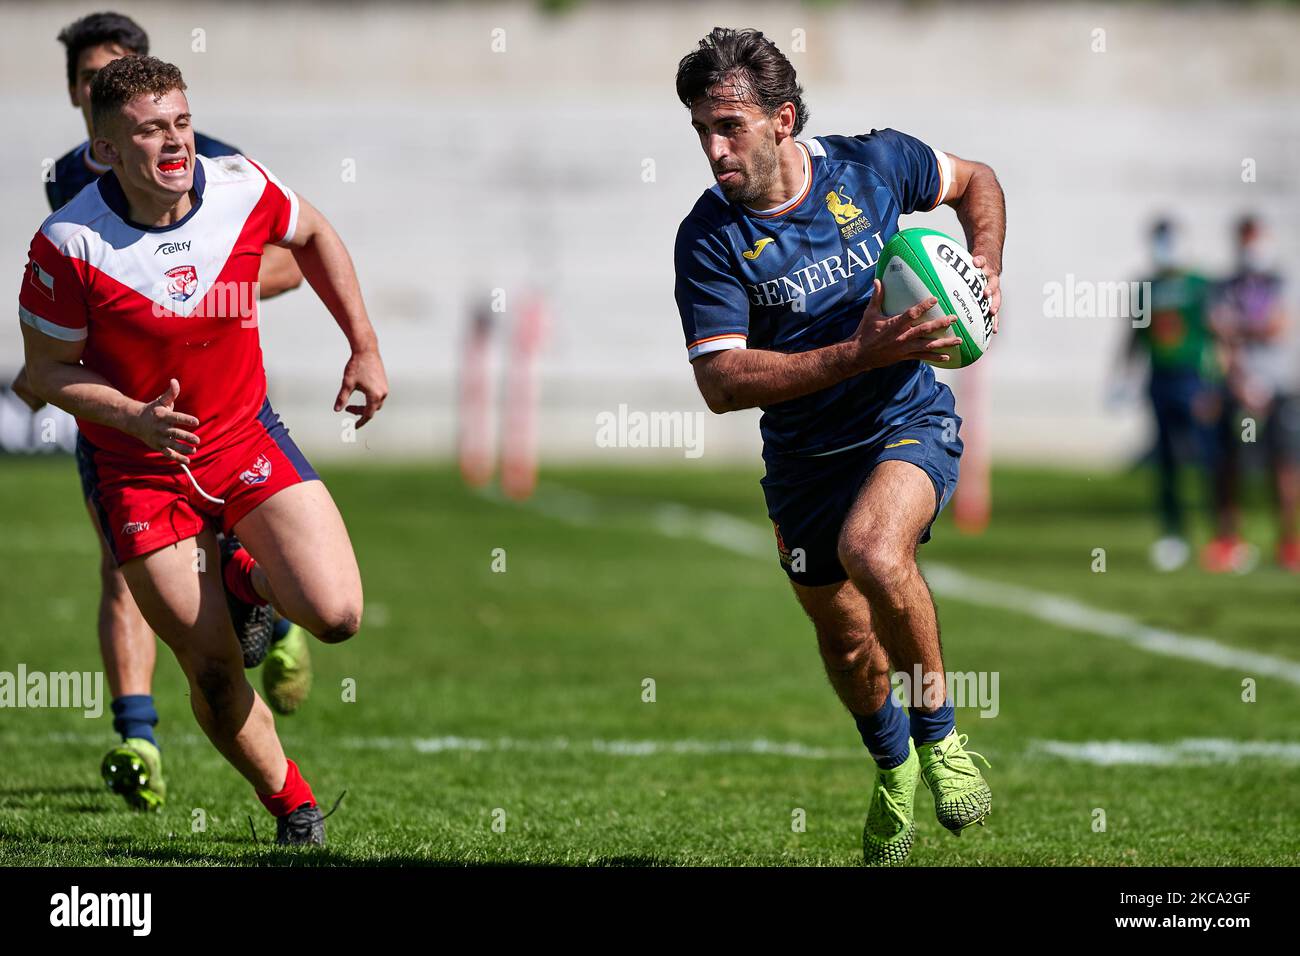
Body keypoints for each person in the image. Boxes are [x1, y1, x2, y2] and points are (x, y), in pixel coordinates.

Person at [18, 55, 389, 844]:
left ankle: (243, 577)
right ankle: (295, 810)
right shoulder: (69, 242)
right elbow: (45, 372)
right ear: (109, 149)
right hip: (140, 473)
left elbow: (316, 233)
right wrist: (134, 418)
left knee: (338, 614)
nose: (175, 143)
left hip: (244, 440)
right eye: (150, 131)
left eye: (181, 122)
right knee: (214, 671)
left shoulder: (240, 185)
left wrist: (363, 344)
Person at [672, 28, 1004, 865]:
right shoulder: (709, 238)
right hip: (803, 464)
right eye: (702, 130)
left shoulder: (875, 164)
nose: (714, 149)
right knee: (847, 640)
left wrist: (986, 267)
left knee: (874, 551)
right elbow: (722, 384)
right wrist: (858, 350)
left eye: (729, 127)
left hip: (905, 421)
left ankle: (941, 737)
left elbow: (978, 181)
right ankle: (892, 765)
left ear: (782, 120)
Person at [1127, 219, 1233, 572]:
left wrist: (1214, 382)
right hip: (1160, 379)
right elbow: (1135, 333)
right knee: (1167, 461)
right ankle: (1174, 533)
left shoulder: (1200, 284)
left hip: (1193, 379)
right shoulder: (1145, 286)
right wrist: (1124, 377)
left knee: (1209, 457)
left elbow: (1219, 332)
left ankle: (1223, 535)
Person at [1210, 216, 1299, 572]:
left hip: (1279, 387)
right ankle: (1230, 540)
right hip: (1240, 388)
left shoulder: (1283, 282)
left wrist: (1240, 330)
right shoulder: (1225, 285)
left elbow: (1278, 327)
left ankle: (1289, 542)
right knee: (1230, 465)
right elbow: (1220, 334)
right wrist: (1239, 381)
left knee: (1286, 467)